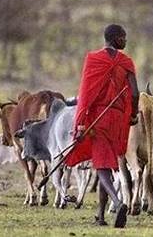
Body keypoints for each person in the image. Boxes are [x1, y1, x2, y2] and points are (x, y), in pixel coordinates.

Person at [65, 24, 139, 228]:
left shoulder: (93, 59)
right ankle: (101, 216)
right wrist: (132, 115)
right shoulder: (126, 62)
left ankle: (118, 202)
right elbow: (134, 93)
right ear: (114, 38)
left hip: (98, 118)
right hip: (116, 118)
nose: (125, 41)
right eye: (123, 38)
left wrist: (80, 124)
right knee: (104, 164)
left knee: (101, 168)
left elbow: (85, 94)